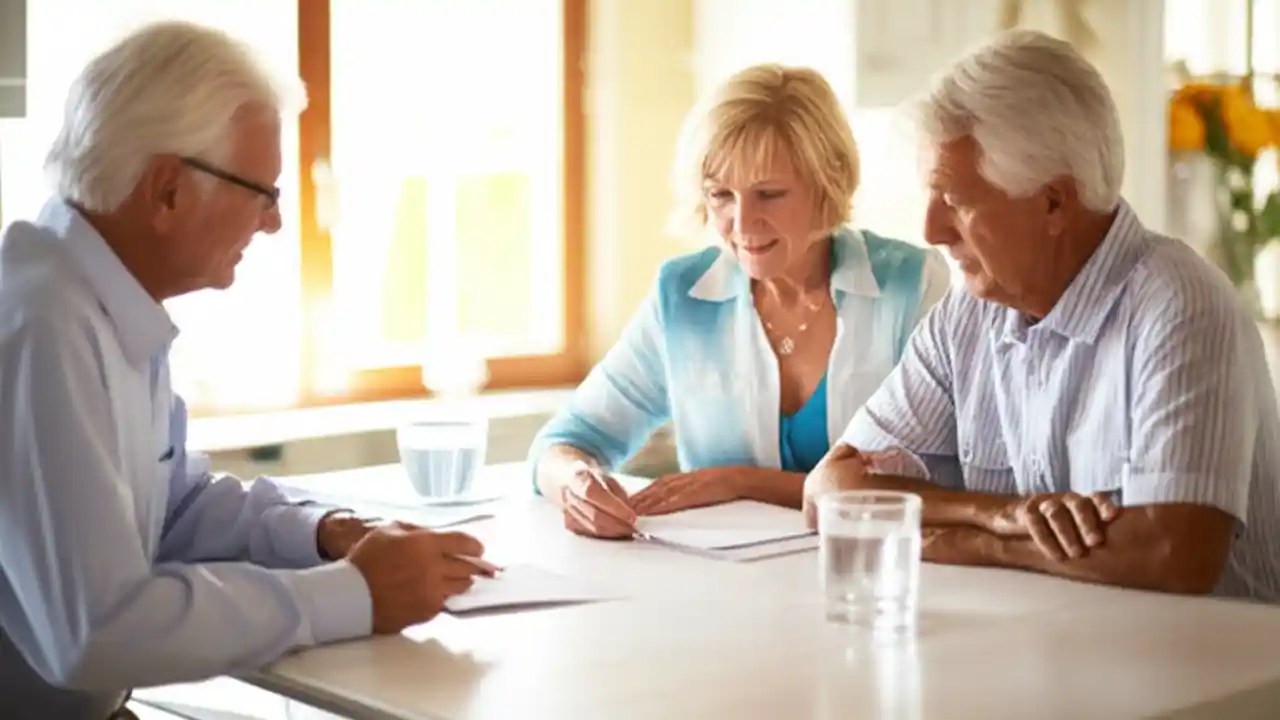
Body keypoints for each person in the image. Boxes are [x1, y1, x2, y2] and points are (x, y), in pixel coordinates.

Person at [0, 22, 491, 719]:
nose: (273, 224)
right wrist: (354, 595)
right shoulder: (41, 323)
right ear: (167, 190)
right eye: (263, 191)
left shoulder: (98, 300)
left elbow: (170, 509)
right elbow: (94, 636)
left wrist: (323, 532)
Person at [803, 29, 1280, 602]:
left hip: (1212, 677)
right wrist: (1000, 515)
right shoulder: (967, 314)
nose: (930, 230)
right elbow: (830, 488)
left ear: (1054, 201)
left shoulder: (1178, 305)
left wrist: (980, 543)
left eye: (954, 201)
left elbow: (1173, 554)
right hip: (1048, 657)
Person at [530, 63, 949, 538]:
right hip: (726, 588)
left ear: (826, 182)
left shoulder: (911, 286)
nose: (742, 223)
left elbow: (934, 484)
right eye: (721, 195)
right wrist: (576, 483)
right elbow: (564, 441)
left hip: (870, 575)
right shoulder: (682, 296)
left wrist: (740, 483)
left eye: (769, 194)